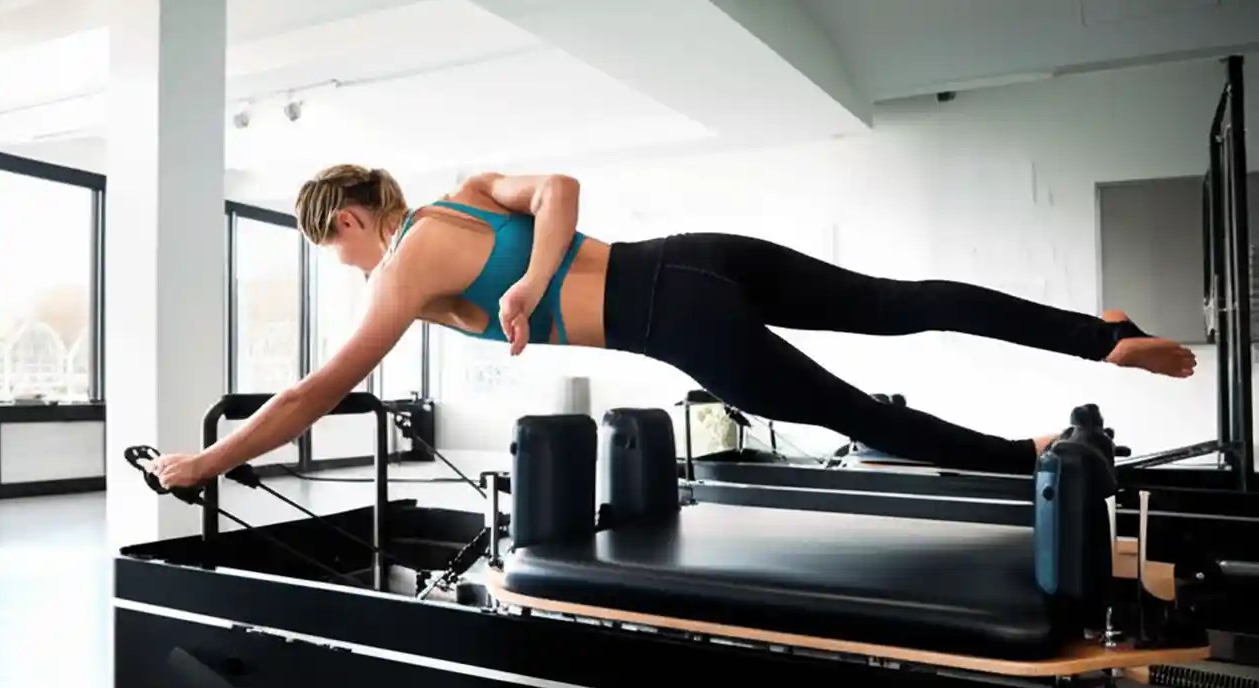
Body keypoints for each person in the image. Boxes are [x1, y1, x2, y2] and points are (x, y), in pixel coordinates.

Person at [150, 164, 1196, 487]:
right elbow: (558, 186)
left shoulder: (406, 262)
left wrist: (205, 463)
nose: (347, 265)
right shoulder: (464, 191)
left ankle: (1025, 457)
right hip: (694, 252)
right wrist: (536, 274)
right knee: (898, 301)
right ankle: (1093, 334)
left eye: (333, 250)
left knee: (856, 418)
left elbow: (316, 392)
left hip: (674, 318)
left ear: (343, 222)